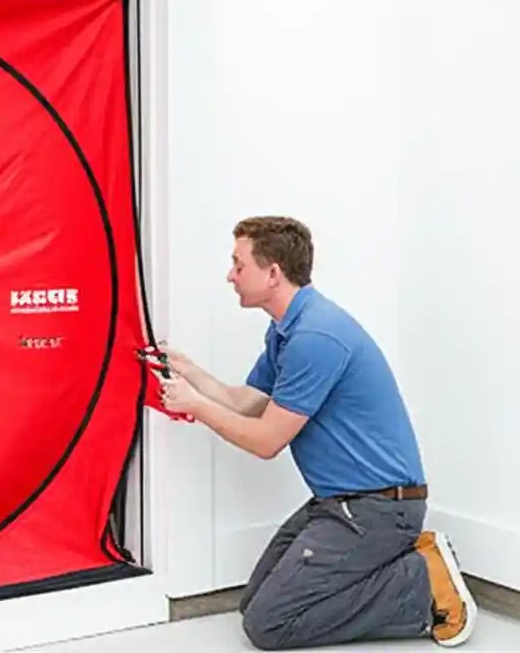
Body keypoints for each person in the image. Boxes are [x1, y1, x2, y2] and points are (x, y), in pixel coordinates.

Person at [140, 216, 476, 649]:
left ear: (273, 272)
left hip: (378, 509)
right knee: (255, 603)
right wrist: (188, 372)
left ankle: (419, 583)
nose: (230, 275)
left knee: (268, 625)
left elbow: (265, 442)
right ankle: (394, 566)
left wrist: (196, 406)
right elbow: (247, 401)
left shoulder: (316, 337)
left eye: (238, 265)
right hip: (339, 504)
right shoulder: (287, 330)